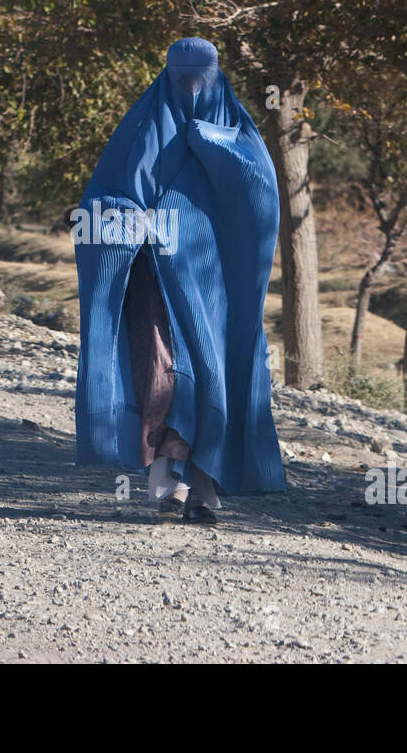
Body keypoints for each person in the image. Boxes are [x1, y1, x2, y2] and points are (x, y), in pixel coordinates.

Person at [74, 37, 285, 523]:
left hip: (216, 289)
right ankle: (169, 482)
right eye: (181, 77)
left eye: (201, 77)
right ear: (167, 74)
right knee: (163, 376)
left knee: (214, 376)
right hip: (156, 281)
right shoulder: (143, 124)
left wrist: (216, 152)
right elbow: (103, 196)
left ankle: (206, 483)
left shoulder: (239, 136)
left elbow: (261, 203)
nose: (191, 88)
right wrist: (129, 220)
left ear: (216, 75)